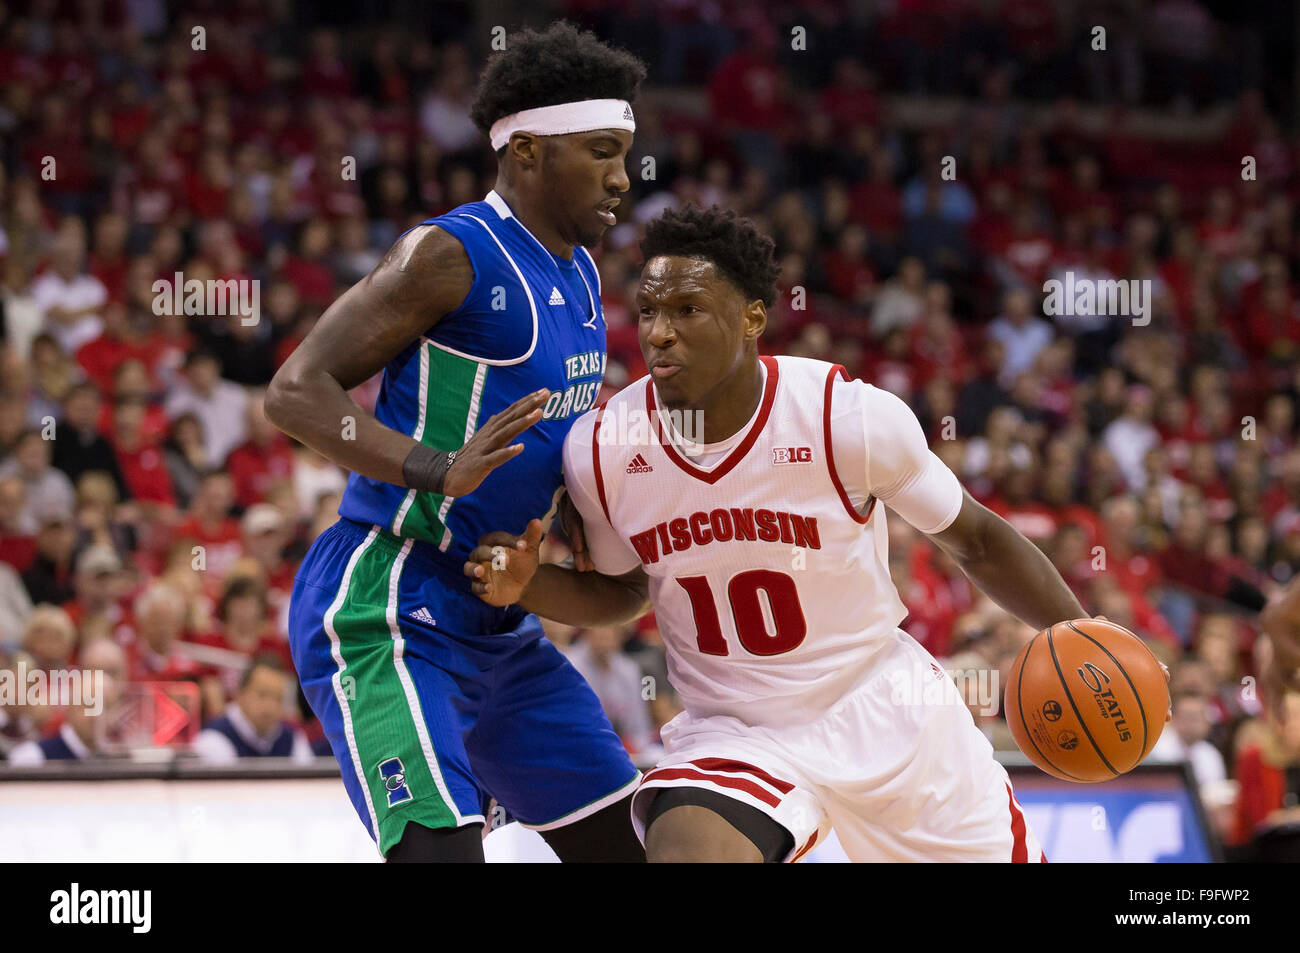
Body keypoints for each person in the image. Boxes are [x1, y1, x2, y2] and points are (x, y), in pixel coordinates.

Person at [464, 204, 1122, 863]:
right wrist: (533, 585)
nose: (659, 333)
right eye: (649, 312)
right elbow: (624, 592)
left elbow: (975, 538)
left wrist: (1085, 637)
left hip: (883, 707)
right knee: (686, 851)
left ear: (752, 316)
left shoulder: (845, 417)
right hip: (740, 732)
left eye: (688, 309)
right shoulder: (604, 448)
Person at [265, 22, 647, 863]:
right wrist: (434, 466)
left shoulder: (580, 272)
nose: (624, 176)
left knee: (640, 849)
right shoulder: (452, 252)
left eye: (625, 152)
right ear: (528, 154)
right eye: (601, 150)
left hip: (497, 617)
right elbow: (294, 392)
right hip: (390, 594)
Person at [192, 654, 315, 764]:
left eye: (278, 698)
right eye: (262, 694)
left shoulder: (293, 739)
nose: (270, 706)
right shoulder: (214, 738)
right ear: (240, 694)